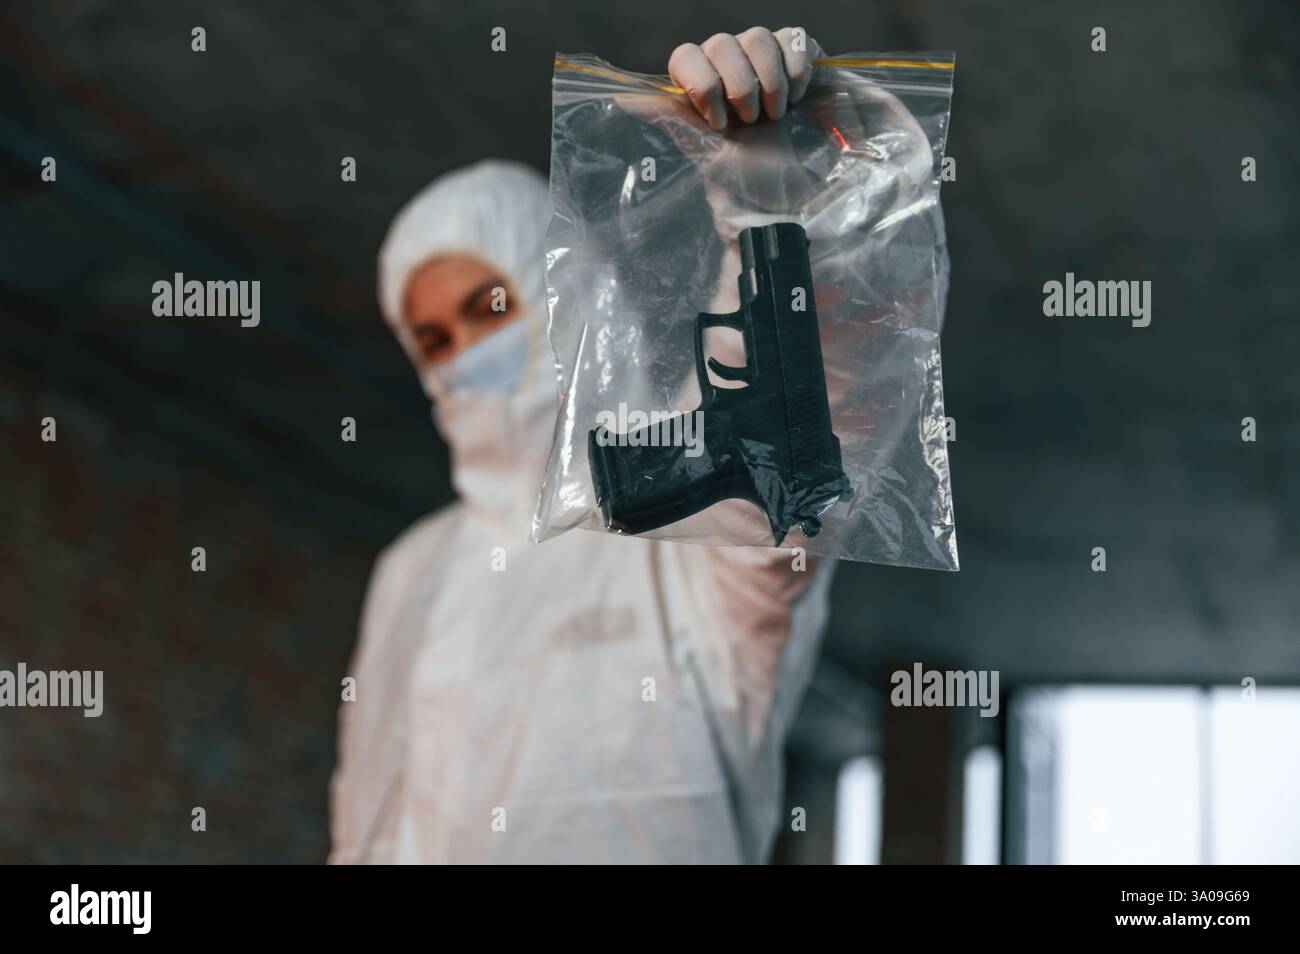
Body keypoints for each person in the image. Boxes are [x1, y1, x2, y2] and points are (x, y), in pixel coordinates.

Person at [329, 27, 836, 864]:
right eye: (431, 338)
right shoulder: (411, 569)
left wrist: (767, 225)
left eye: (488, 308)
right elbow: (364, 806)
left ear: (560, 289)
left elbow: (778, 434)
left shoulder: (675, 507)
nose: (460, 355)